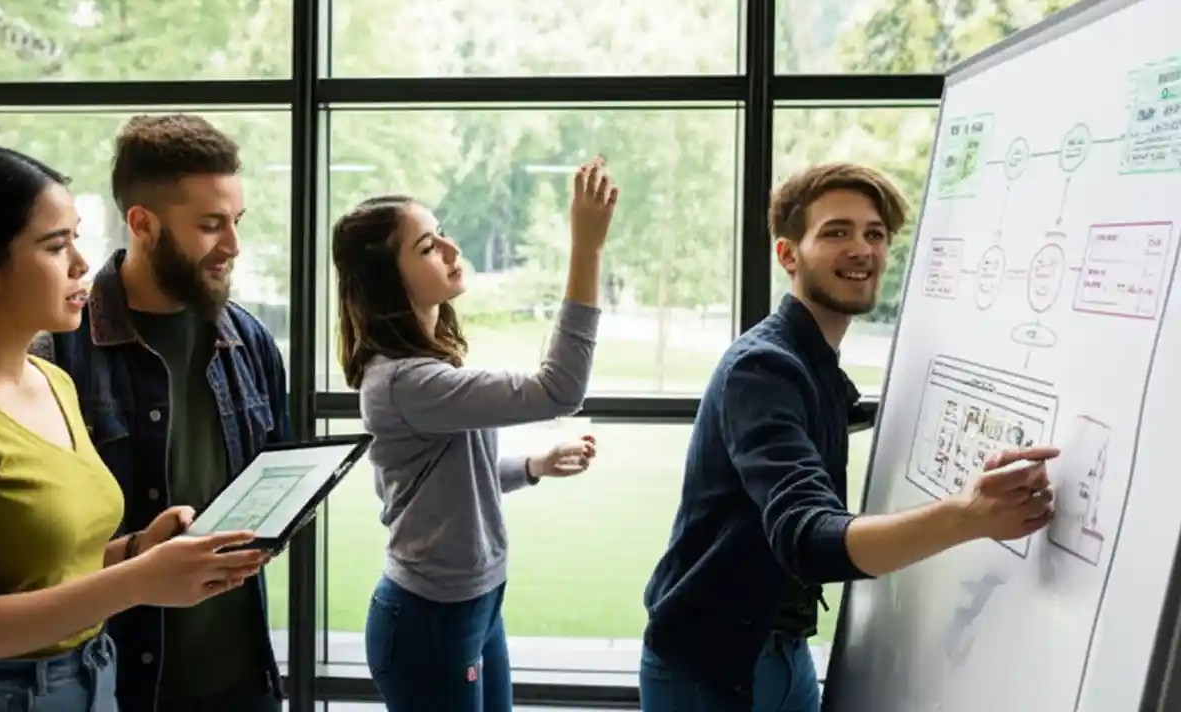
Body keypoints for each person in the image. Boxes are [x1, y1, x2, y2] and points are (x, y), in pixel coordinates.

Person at [638, 162, 1059, 711]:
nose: (862, 249)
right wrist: (969, 515)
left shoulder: (817, 366)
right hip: (713, 669)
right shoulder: (763, 368)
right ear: (789, 255)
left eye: (874, 234)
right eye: (836, 232)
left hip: (782, 654)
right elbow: (808, 538)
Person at [0, 145, 267, 712]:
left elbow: (46, 571)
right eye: (54, 246)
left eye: (76, 237)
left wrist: (138, 550)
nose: (80, 264)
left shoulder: (52, 380)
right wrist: (142, 580)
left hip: (91, 680)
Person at [331, 157, 619, 711]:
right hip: (429, 618)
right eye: (426, 247)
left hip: (475, 601)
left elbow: (447, 482)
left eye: (441, 236)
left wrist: (531, 467)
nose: (450, 250)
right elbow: (559, 390)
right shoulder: (405, 381)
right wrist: (588, 249)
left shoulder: (427, 367)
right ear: (389, 278)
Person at [30, 115, 291, 712]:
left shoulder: (248, 339)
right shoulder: (54, 350)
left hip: (242, 677)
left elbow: (276, 475)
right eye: (210, 225)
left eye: (236, 222)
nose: (233, 245)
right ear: (142, 224)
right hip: (113, 682)